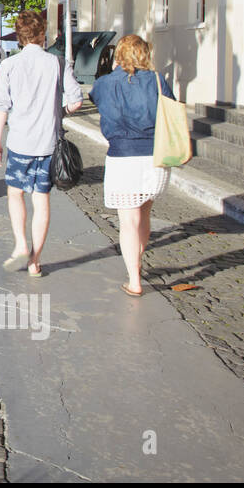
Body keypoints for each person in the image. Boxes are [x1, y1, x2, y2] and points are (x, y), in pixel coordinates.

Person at [0, 10, 83, 276]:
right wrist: (58, 111)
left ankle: (20, 243)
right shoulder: (58, 63)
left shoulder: (8, 66)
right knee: (41, 199)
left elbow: (1, 107)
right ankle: (35, 260)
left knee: (15, 193)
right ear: (43, 34)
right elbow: (75, 101)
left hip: (19, 142)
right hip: (48, 143)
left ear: (20, 37)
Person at [89, 34, 172, 297]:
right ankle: (136, 259)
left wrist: (115, 75)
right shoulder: (158, 81)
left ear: (118, 56)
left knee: (128, 221)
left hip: (123, 157)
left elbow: (96, 99)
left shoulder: (105, 83)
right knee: (144, 214)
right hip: (154, 157)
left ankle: (134, 279)